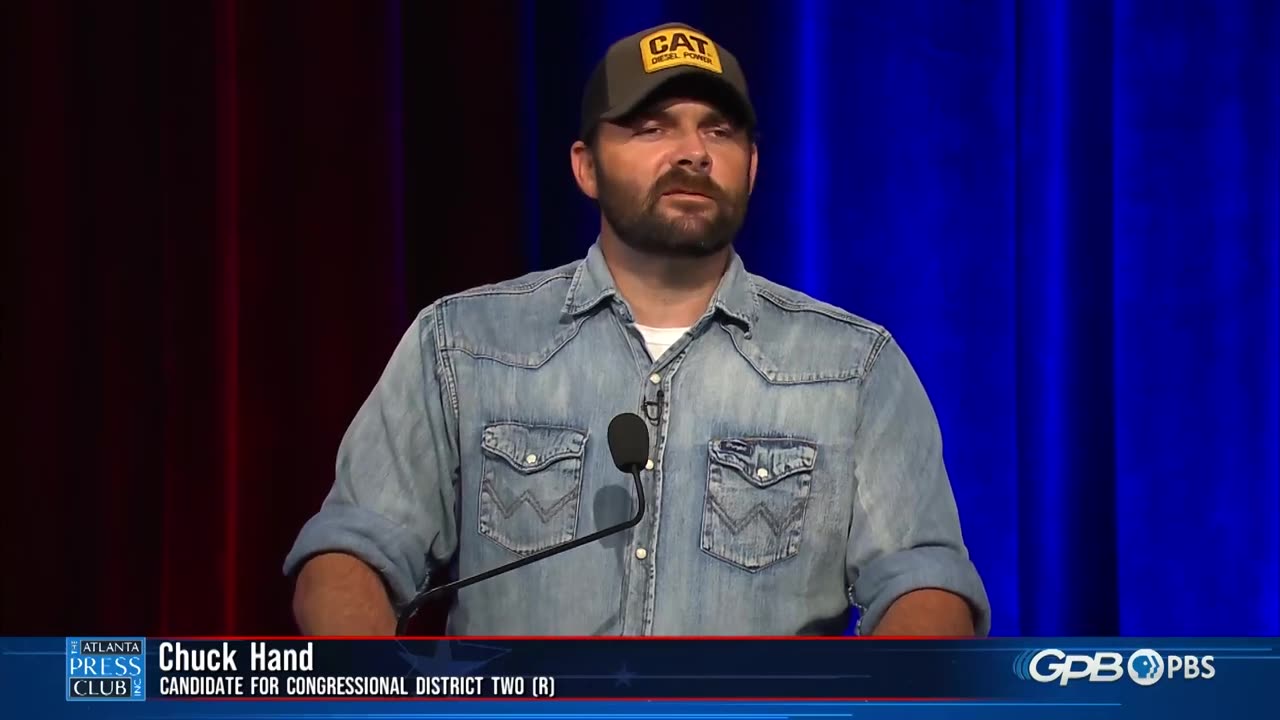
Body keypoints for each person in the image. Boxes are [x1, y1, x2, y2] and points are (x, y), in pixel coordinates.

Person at [285, 22, 990, 637]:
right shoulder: (463, 345)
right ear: (585, 167)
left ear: (753, 166)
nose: (692, 153)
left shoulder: (853, 368)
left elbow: (925, 586)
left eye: (719, 130)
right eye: (652, 127)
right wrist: (375, 691)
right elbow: (351, 553)